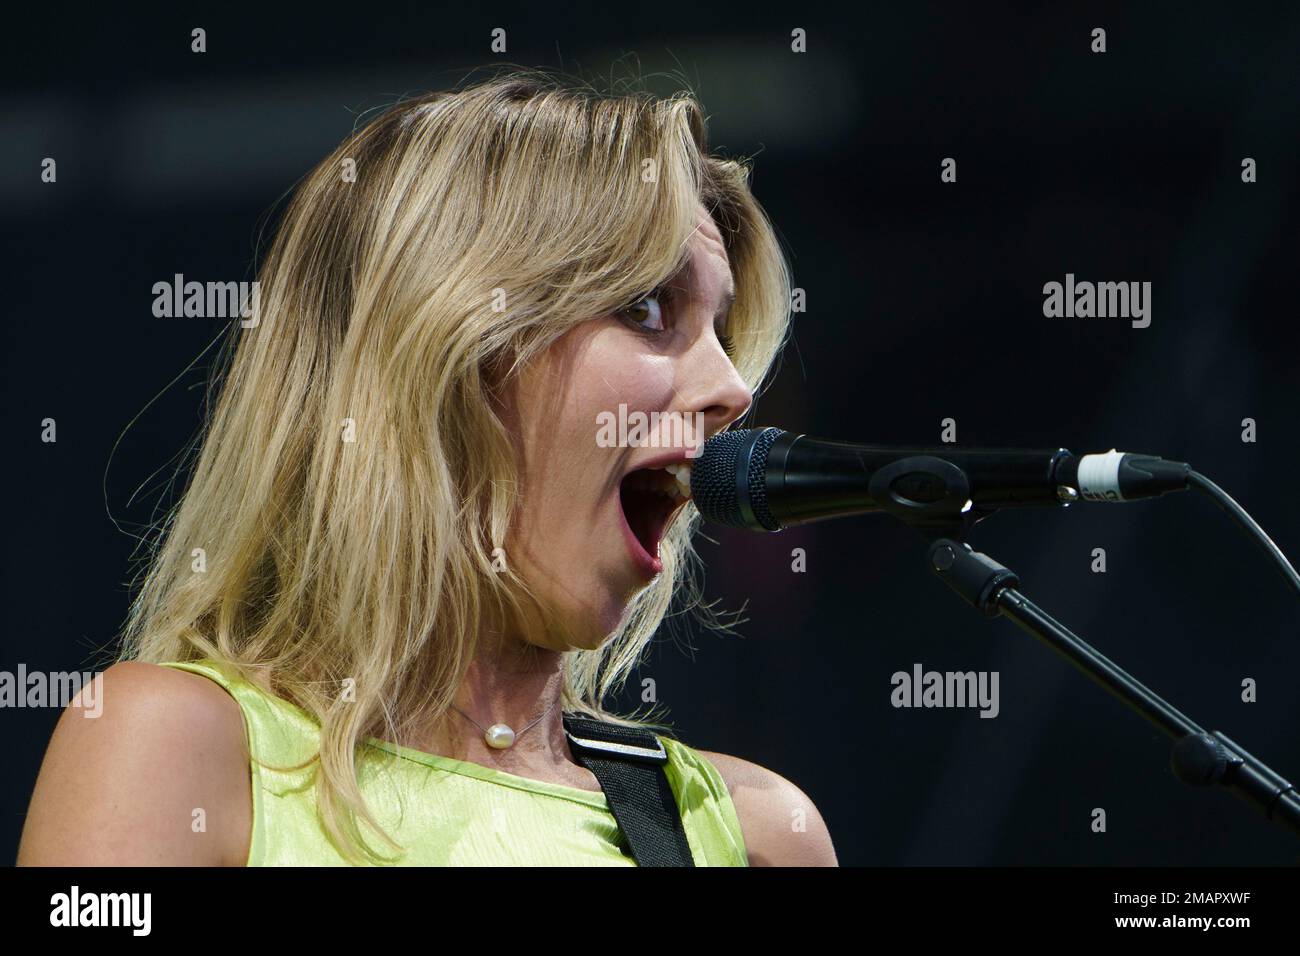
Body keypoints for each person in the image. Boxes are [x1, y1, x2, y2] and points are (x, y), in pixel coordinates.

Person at [17, 69, 837, 867]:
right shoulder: (176, 749)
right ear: (446, 355)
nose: (733, 388)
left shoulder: (745, 832)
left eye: (723, 332)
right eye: (647, 307)